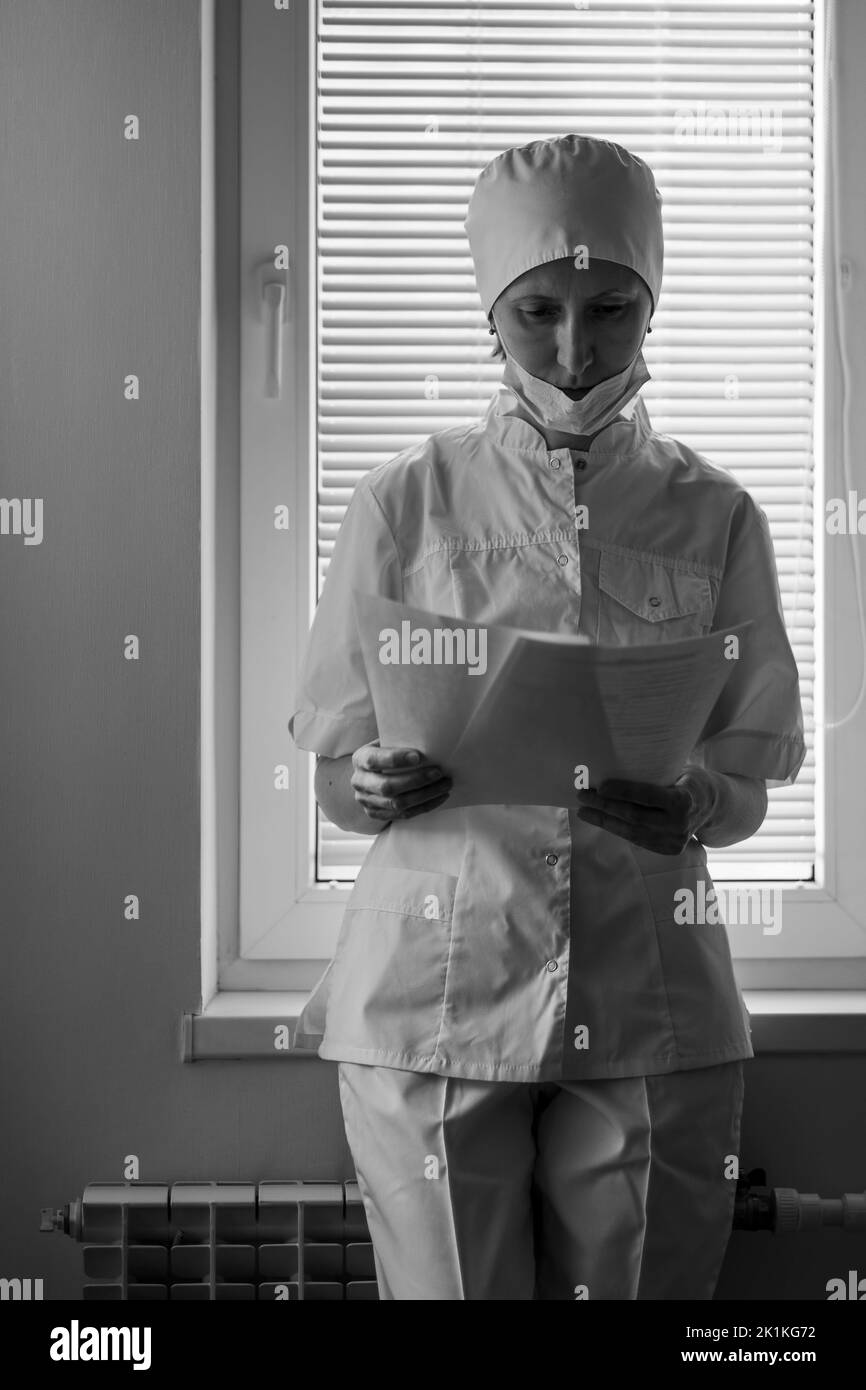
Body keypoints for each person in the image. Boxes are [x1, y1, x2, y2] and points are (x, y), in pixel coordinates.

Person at [287, 135, 806, 1300]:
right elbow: (332, 769)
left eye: (609, 310)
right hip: (430, 990)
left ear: (650, 304)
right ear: (490, 312)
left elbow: (744, 781)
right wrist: (363, 781)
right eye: (538, 313)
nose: (575, 352)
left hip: (646, 996)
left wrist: (699, 802)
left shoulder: (715, 516)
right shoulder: (402, 501)